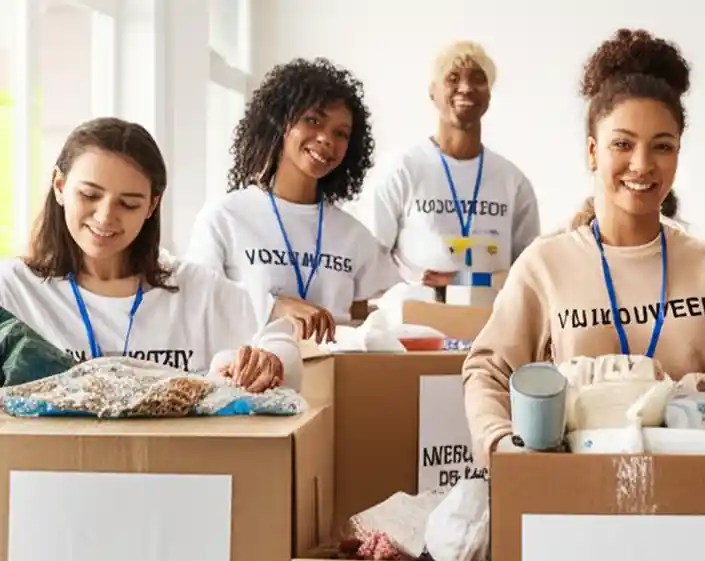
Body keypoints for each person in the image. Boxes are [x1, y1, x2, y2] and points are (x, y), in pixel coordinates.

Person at [462, 29, 705, 463]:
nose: (642, 164)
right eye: (622, 144)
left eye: (662, 147)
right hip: (575, 493)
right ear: (593, 152)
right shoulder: (545, 266)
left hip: (698, 492)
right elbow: (488, 370)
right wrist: (501, 444)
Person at [0, 117, 300, 392]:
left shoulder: (198, 291)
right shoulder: (12, 289)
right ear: (60, 186)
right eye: (90, 195)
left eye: (128, 204)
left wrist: (268, 362)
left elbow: (279, 339)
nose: (105, 217)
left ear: (151, 206)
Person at [186, 58, 396, 344]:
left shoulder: (354, 235)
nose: (326, 139)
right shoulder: (225, 217)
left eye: (340, 133)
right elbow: (196, 300)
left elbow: (368, 319)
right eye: (313, 120)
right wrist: (273, 307)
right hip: (249, 368)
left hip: (333, 369)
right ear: (281, 122)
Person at [360, 41, 541, 297]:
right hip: (416, 318)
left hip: (489, 320)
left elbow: (530, 273)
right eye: (453, 78)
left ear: (489, 94)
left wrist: (462, 281)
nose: (466, 88)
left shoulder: (512, 181)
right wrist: (413, 290)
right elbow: (369, 261)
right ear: (432, 92)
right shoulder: (402, 169)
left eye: (478, 79)